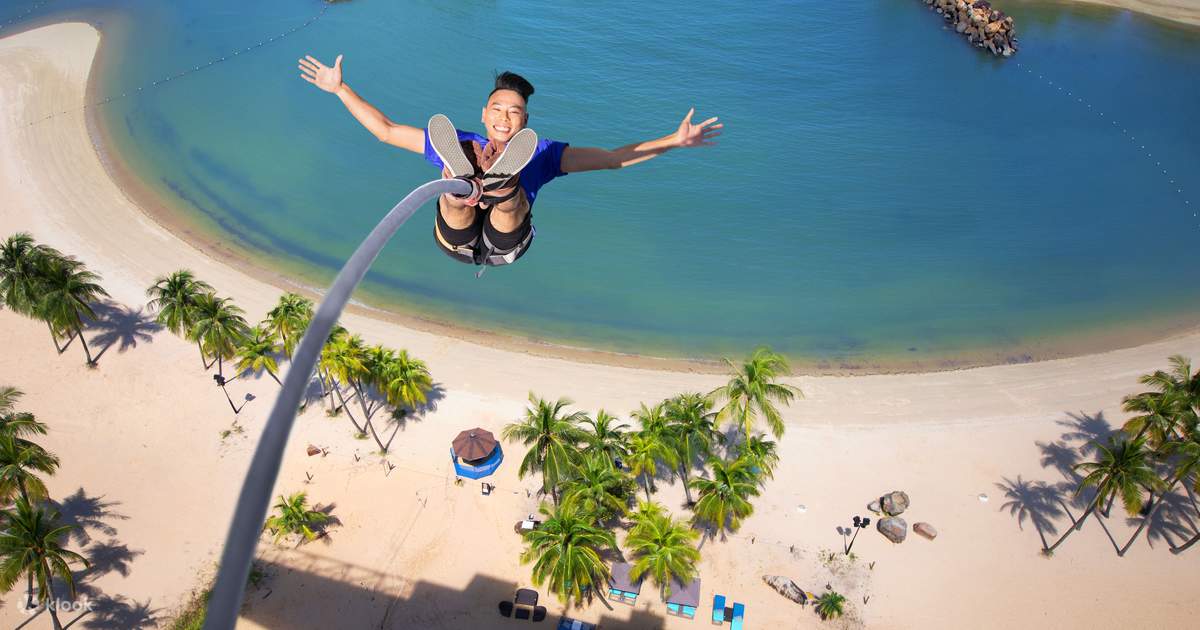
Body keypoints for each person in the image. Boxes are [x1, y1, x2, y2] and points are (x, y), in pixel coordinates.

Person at [298, 54, 722, 267]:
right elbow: (387, 131)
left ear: (525, 121)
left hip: (507, 245)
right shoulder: (460, 140)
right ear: (484, 114)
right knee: (453, 184)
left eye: (514, 111)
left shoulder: (543, 152)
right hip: (456, 236)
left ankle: (498, 186)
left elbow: (613, 159)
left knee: (510, 196)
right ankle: (465, 184)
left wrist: (673, 140)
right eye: (497, 108)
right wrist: (340, 89)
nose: (504, 116)